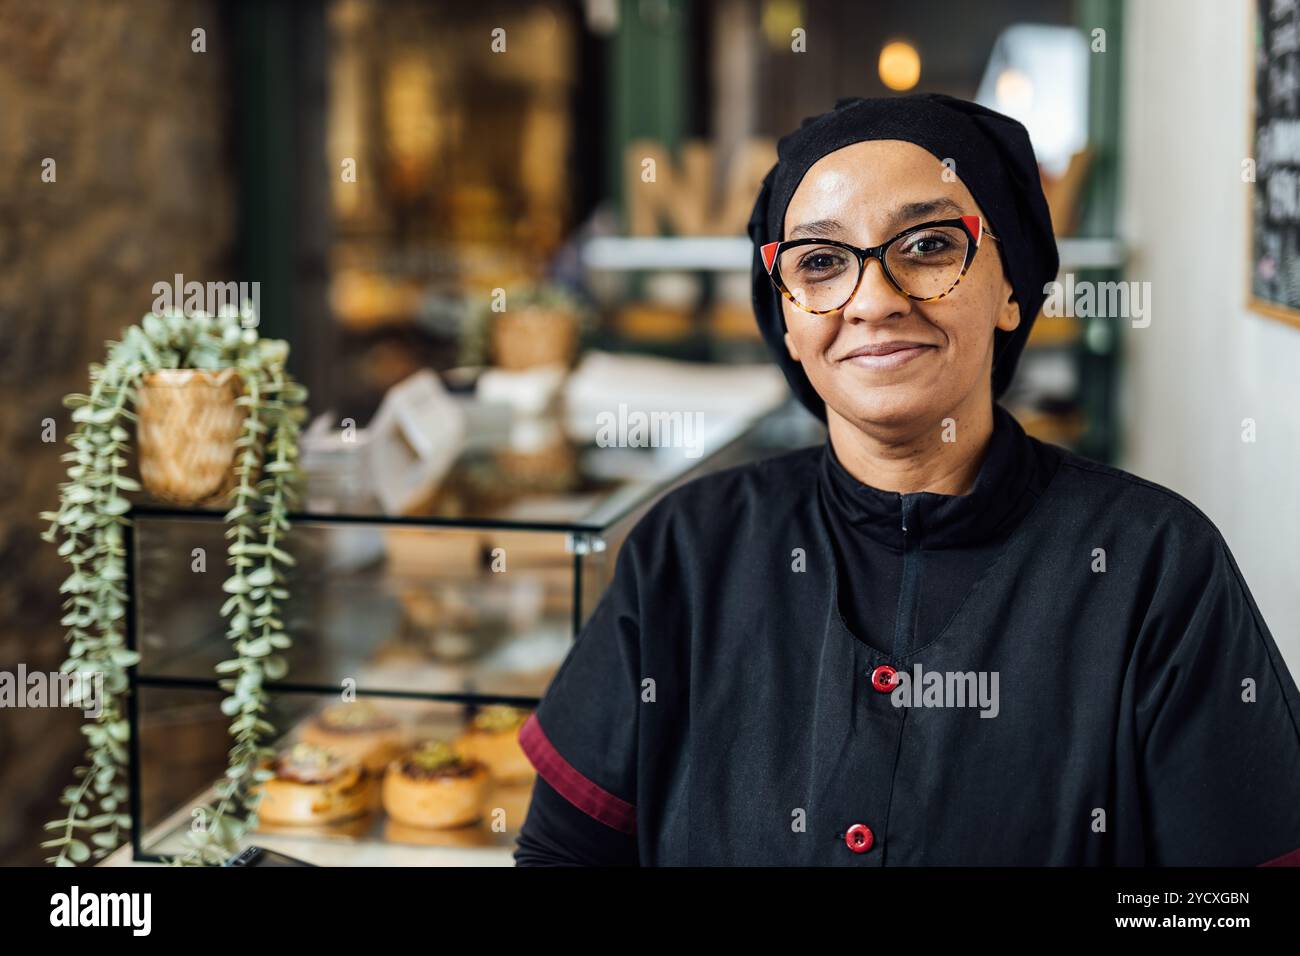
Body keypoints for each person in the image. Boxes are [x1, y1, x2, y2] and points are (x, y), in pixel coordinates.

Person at [512, 93, 1300, 866]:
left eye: (927, 246)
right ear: (787, 316)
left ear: (1011, 287)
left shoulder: (1154, 566)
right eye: (820, 262)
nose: (874, 300)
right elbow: (563, 853)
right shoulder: (687, 551)